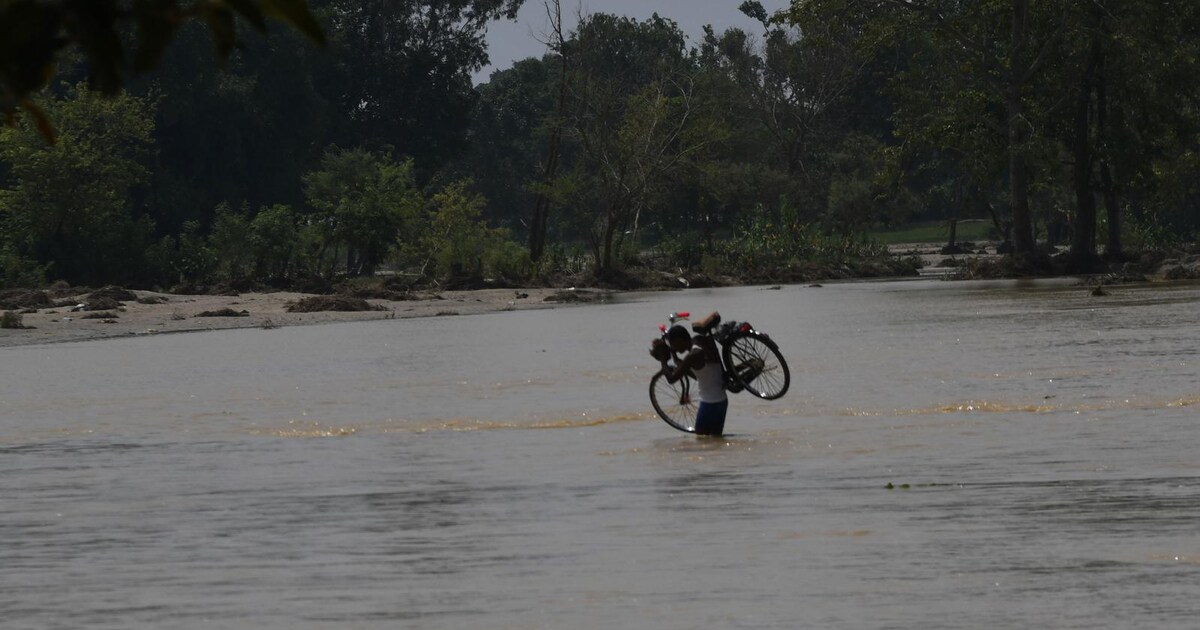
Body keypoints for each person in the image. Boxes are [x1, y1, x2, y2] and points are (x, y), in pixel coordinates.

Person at [656, 312, 728, 436]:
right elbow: (699, 373)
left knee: (701, 440)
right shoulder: (700, 342)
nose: (674, 348)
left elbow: (671, 379)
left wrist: (663, 359)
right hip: (722, 401)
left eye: (673, 344)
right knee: (716, 441)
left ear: (679, 340)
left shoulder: (692, 356)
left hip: (709, 404)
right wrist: (673, 354)